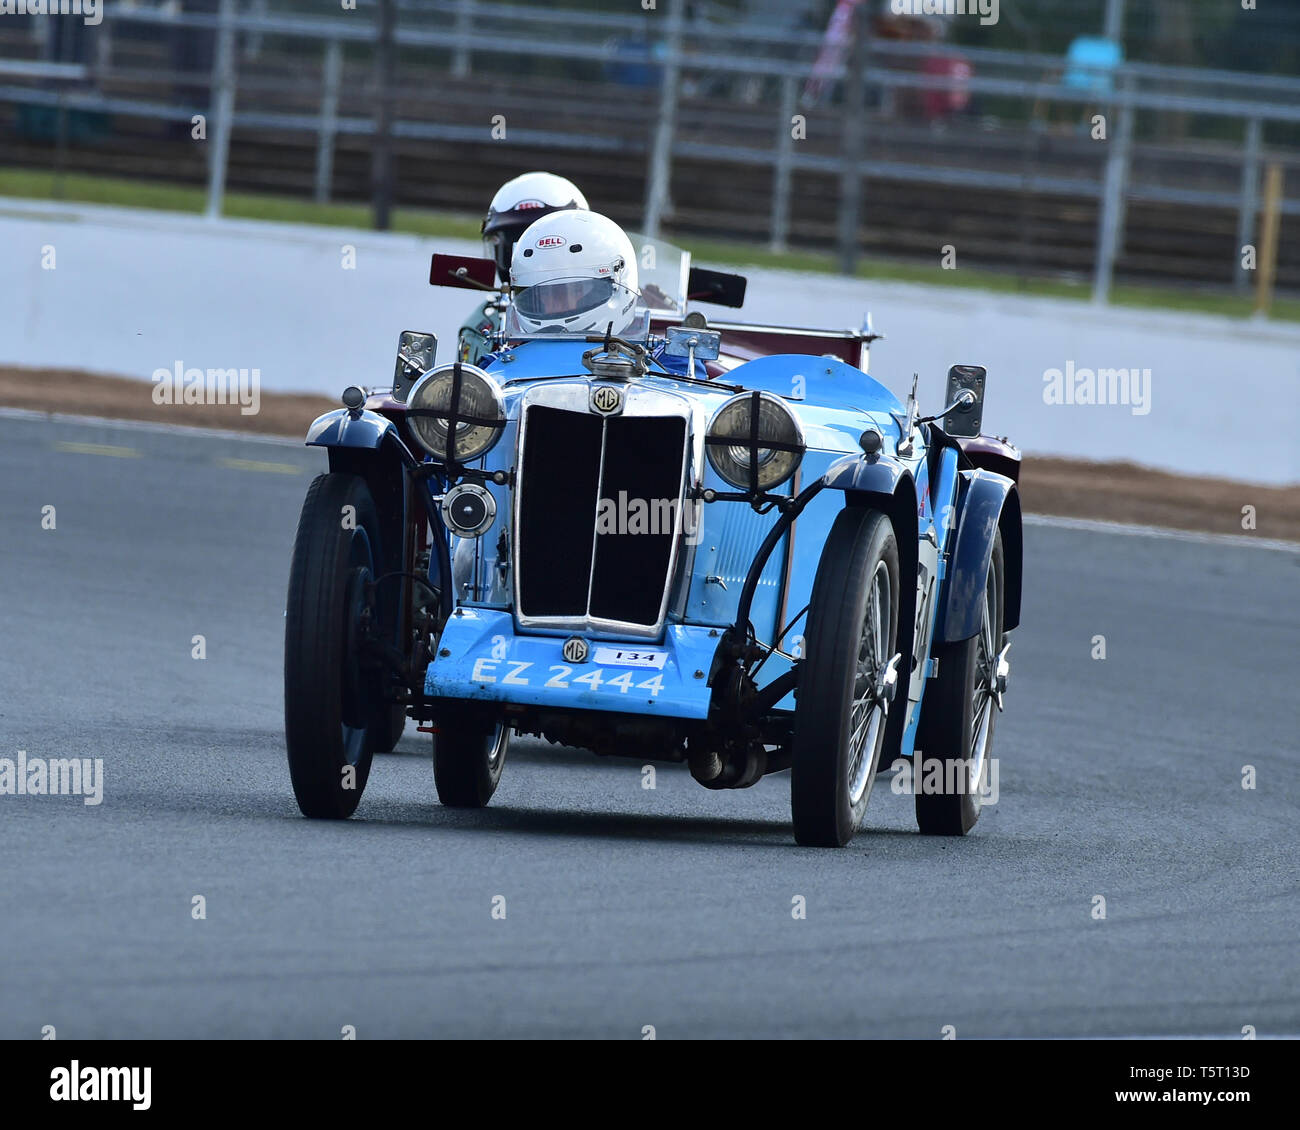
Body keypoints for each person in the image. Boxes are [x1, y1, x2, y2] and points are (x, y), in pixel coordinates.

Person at [458, 172, 589, 362]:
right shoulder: (487, 325)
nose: (532, 262)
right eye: (516, 247)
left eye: (548, 246)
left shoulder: (619, 308)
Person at [508, 211, 641, 339]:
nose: (554, 306)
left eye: (574, 291)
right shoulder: (499, 360)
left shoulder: (652, 360)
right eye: (544, 294)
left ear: (619, 283)